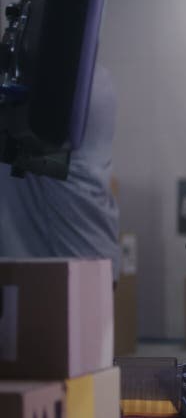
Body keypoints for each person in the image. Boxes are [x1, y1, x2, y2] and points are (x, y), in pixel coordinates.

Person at [0, 65, 121, 280]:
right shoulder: (90, 76)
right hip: (87, 264)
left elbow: (33, 157)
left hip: (68, 271)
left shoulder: (73, 83)